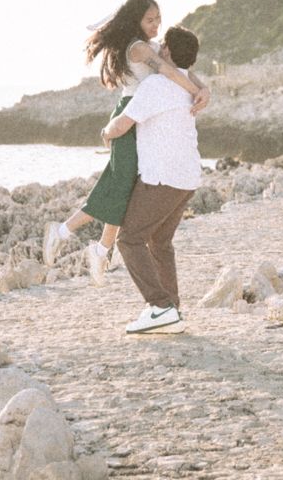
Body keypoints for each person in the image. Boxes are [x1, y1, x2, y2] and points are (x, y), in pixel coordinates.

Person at [42, 0, 209, 283]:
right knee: (121, 186)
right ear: (136, 20)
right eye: (150, 20)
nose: (156, 25)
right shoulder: (138, 48)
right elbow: (169, 71)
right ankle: (67, 233)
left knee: (126, 188)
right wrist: (196, 92)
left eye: (158, 19)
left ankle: (96, 247)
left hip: (143, 114)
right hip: (130, 113)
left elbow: (182, 69)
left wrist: (205, 89)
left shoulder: (152, 46)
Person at [104, 25, 203, 334]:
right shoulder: (189, 86)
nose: (158, 47)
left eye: (162, 45)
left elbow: (122, 125)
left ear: (167, 51)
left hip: (163, 177)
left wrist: (105, 132)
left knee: (129, 239)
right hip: (188, 177)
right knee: (160, 241)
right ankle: (171, 309)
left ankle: (160, 306)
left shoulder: (157, 85)